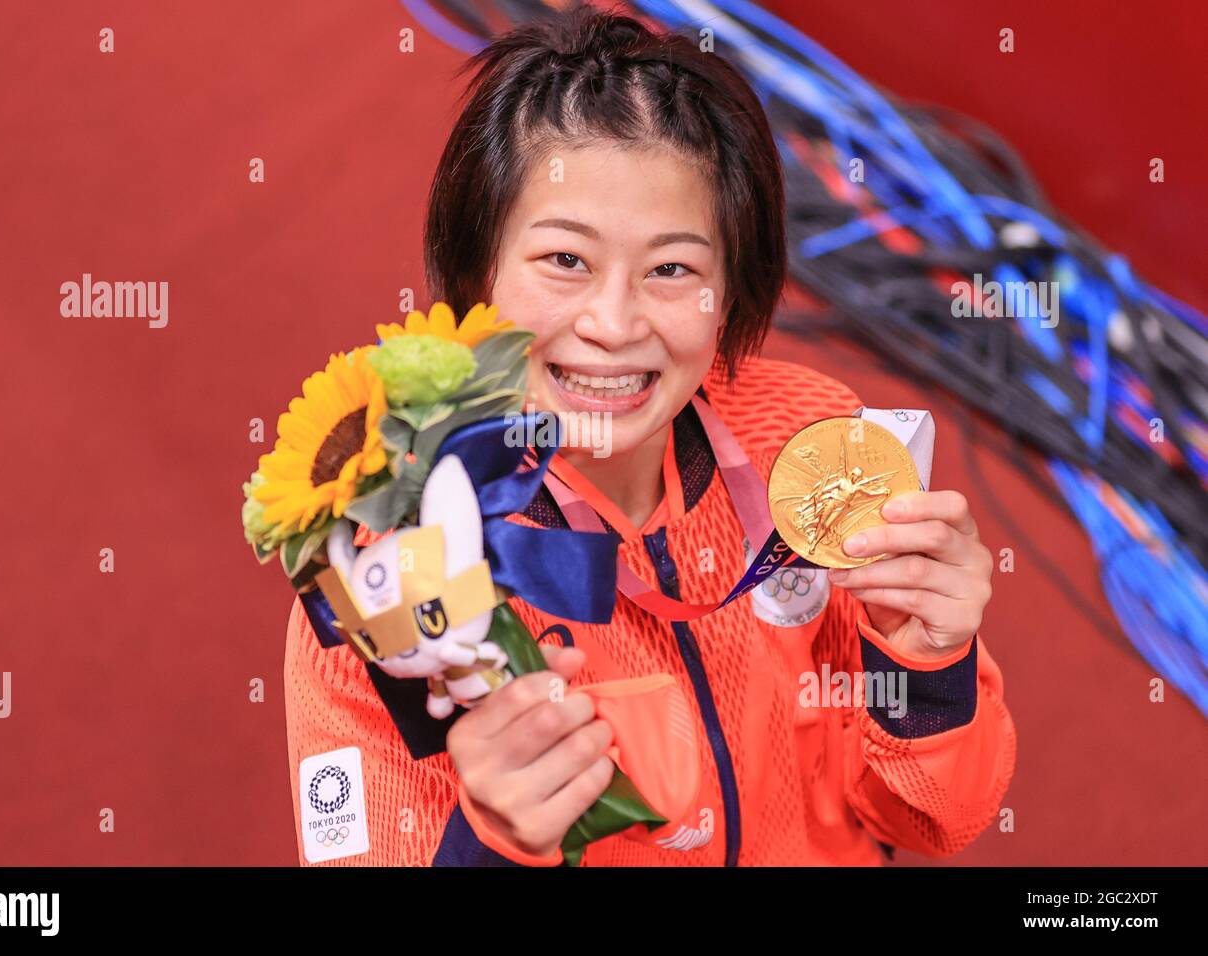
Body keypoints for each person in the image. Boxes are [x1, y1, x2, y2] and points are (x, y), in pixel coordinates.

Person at [283, 5, 1014, 866]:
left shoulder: (809, 444)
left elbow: (931, 823)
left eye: (672, 269)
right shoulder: (383, 576)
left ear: (734, 293)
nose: (615, 323)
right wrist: (498, 842)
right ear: (476, 272)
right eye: (566, 260)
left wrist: (926, 668)